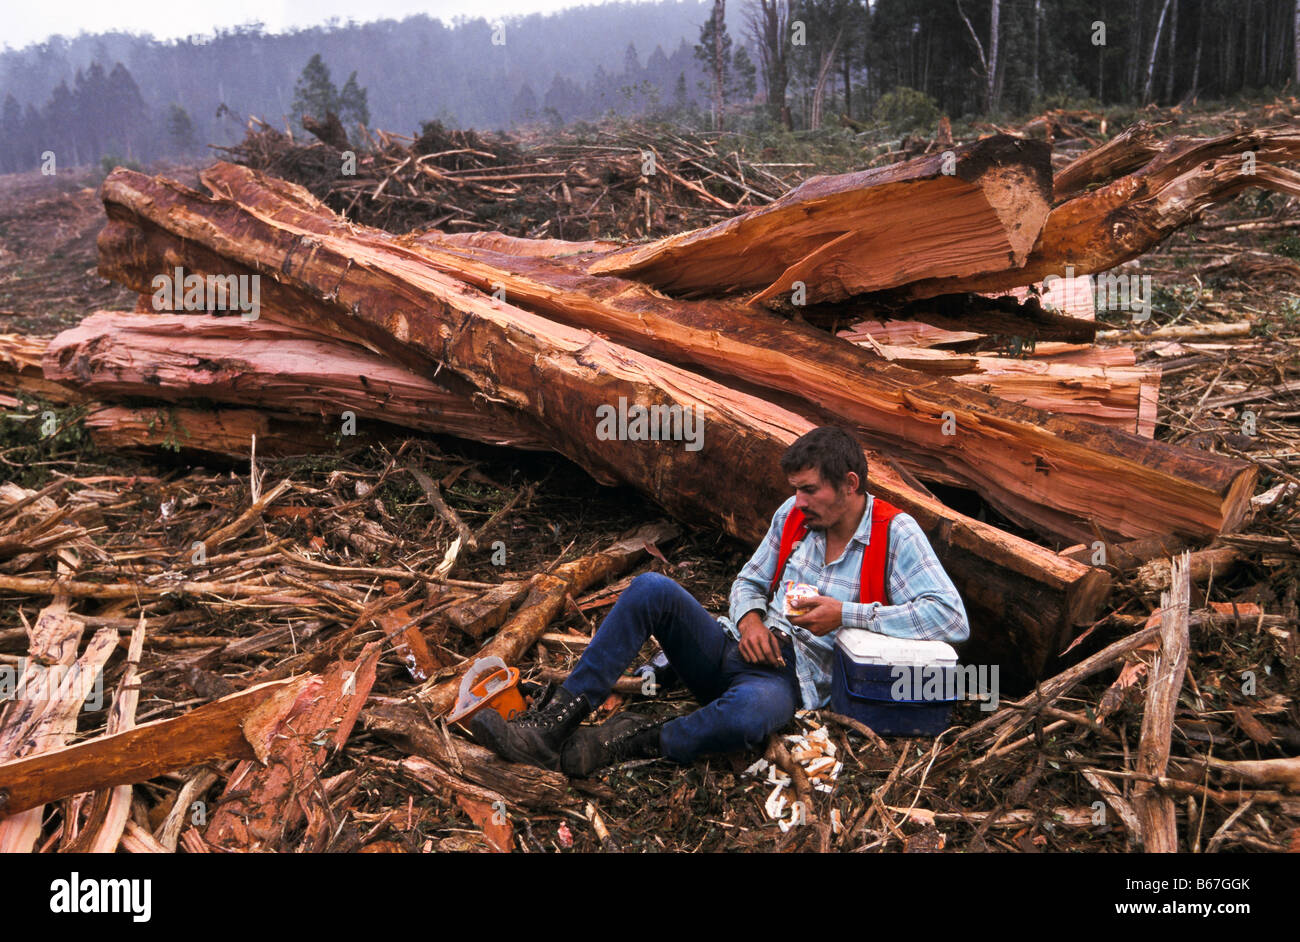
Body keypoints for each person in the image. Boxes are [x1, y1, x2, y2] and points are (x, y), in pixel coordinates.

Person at [469, 425, 970, 776]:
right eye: (795, 490)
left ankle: (625, 741)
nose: (799, 502)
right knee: (650, 588)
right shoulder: (795, 518)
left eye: (810, 490)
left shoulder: (894, 534)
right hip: (734, 648)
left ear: (850, 484)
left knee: (746, 718)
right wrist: (750, 619)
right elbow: (748, 581)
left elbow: (949, 619)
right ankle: (552, 726)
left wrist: (846, 614)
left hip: (788, 681)